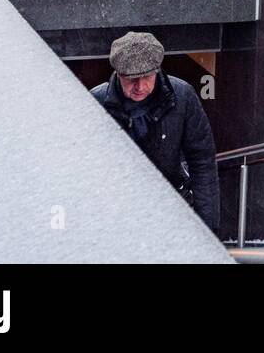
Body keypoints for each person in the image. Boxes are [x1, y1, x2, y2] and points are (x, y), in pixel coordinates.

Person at [90, 31, 220, 234]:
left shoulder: (182, 96)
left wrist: (208, 229)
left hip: (172, 205)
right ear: (118, 73)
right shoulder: (96, 103)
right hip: (119, 213)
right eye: (131, 78)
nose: (140, 86)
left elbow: (202, 161)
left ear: (157, 70)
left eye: (147, 76)